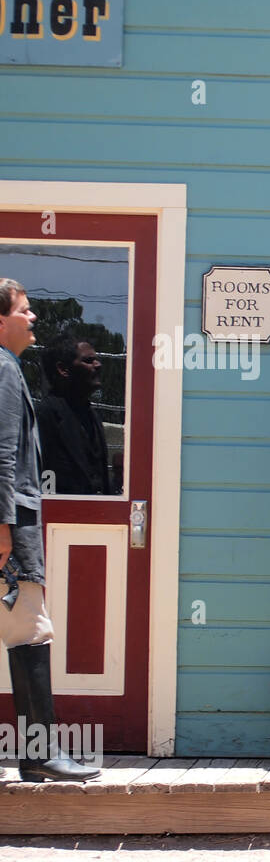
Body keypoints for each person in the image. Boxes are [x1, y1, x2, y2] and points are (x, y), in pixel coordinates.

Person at [0, 278, 99, 781]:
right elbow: (3, 454)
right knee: (30, 633)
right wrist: (4, 529)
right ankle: (40, 754)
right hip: (9, 532)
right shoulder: (3, 369)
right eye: (24, 309)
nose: (34, 317)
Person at [37, 333, 117, 495]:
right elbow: (44, 475)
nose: (98, 365)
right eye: (88, 361)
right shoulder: (45, 415)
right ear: (63, 370)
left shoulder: (93, 417)